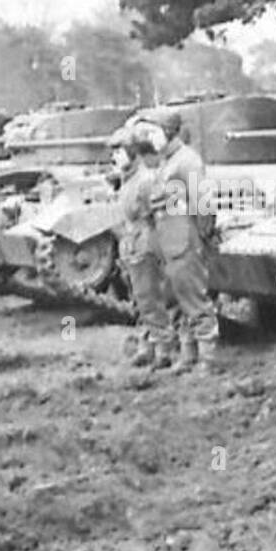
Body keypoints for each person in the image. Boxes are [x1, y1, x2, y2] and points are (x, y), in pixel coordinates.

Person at [149, 109, 219, 372]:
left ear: (168, 131)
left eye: (153, 132)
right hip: (169, 239)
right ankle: (188, 352)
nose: (150, 138)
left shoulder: (187, 160)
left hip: (184, 237)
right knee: (175, 299)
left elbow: (203, 203)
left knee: (194, 297)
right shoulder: (166, 161)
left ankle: (207, 357)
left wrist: (201, 236)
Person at [111, 122, 174, 370]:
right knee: (138, 299)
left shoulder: (145, 180)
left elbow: (161, 213)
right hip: (131, 242)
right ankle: (147, 343)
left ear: (132, 153)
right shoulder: (127, 181)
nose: (113, 157)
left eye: (118, 151)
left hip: (145, 241)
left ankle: (163, 348)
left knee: (150, 298)